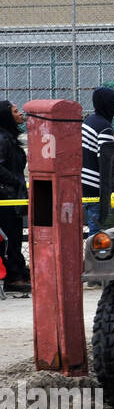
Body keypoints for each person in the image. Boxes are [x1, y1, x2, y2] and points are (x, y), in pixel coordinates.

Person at [0, 101, 31, 294]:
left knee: (15, 236)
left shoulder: (9, 137)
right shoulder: (3, 139)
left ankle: (17, 270)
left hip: (13, 195)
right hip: (6, 197)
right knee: (10, 237)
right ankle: (13, 275)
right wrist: (15, 182)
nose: (20, 114)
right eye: (15, 111)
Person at [81, 87, 114, 237]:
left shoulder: (89, 120)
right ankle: (95, 259)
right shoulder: (105, 127)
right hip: (97, 186)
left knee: (93, 226)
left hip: (84, 181)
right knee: (99, 231)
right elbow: (105, 160)